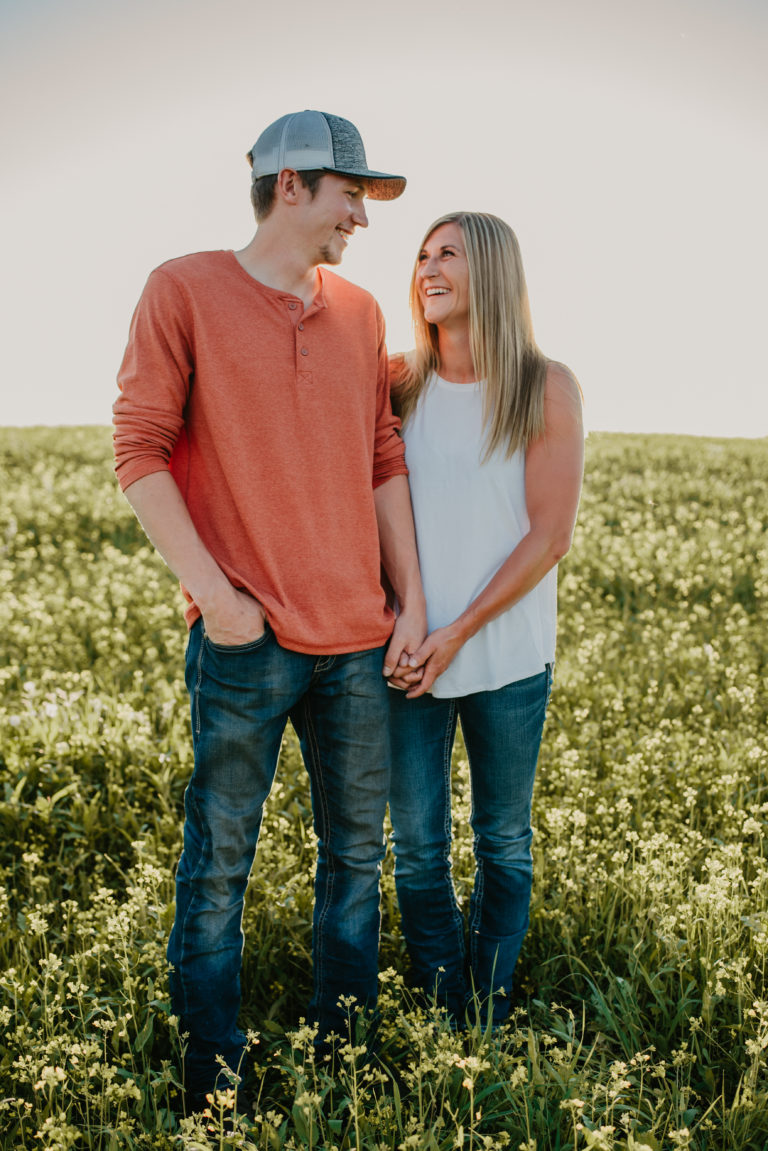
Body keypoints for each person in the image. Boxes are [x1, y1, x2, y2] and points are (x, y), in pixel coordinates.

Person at [112, 110, 426, 1108]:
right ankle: (213, 1081)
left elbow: (383, 458)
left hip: (359, 640)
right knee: (219, 866)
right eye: (352, 196)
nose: (362, 220)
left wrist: (410, 600)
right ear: (292, 183)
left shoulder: (363, 311)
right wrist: (219, 598)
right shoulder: (184, 288)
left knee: (356, 861)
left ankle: (345, 1062)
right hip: (246, 643)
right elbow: (140, 451)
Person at [386, 211, 584, 1027]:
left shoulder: (545, 385)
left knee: (504, 841)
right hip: (406, 655)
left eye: (448, 255)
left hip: (505, 656)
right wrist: (406, 622)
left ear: (493, 273)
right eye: (422, 255)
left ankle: (490, 1009)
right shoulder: (396, 381)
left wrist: (456, 630)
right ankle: (445, 1010)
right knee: (419, 854)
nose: (428, 268)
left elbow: (550, 534)